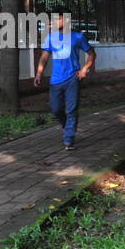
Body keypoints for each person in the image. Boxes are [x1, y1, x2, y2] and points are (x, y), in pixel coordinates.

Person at [34, 15, 95, 150]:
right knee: (56, 109)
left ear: (67, 20)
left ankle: (69, 139)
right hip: (56, 80)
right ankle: (67, 127)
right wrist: (39, 73)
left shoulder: (78, 37)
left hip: (73, 78)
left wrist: (84, 68)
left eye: (58, 19)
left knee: (72, 110)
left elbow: (91, 54)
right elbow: (44, 57)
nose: (54, 22)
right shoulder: (50, 38)